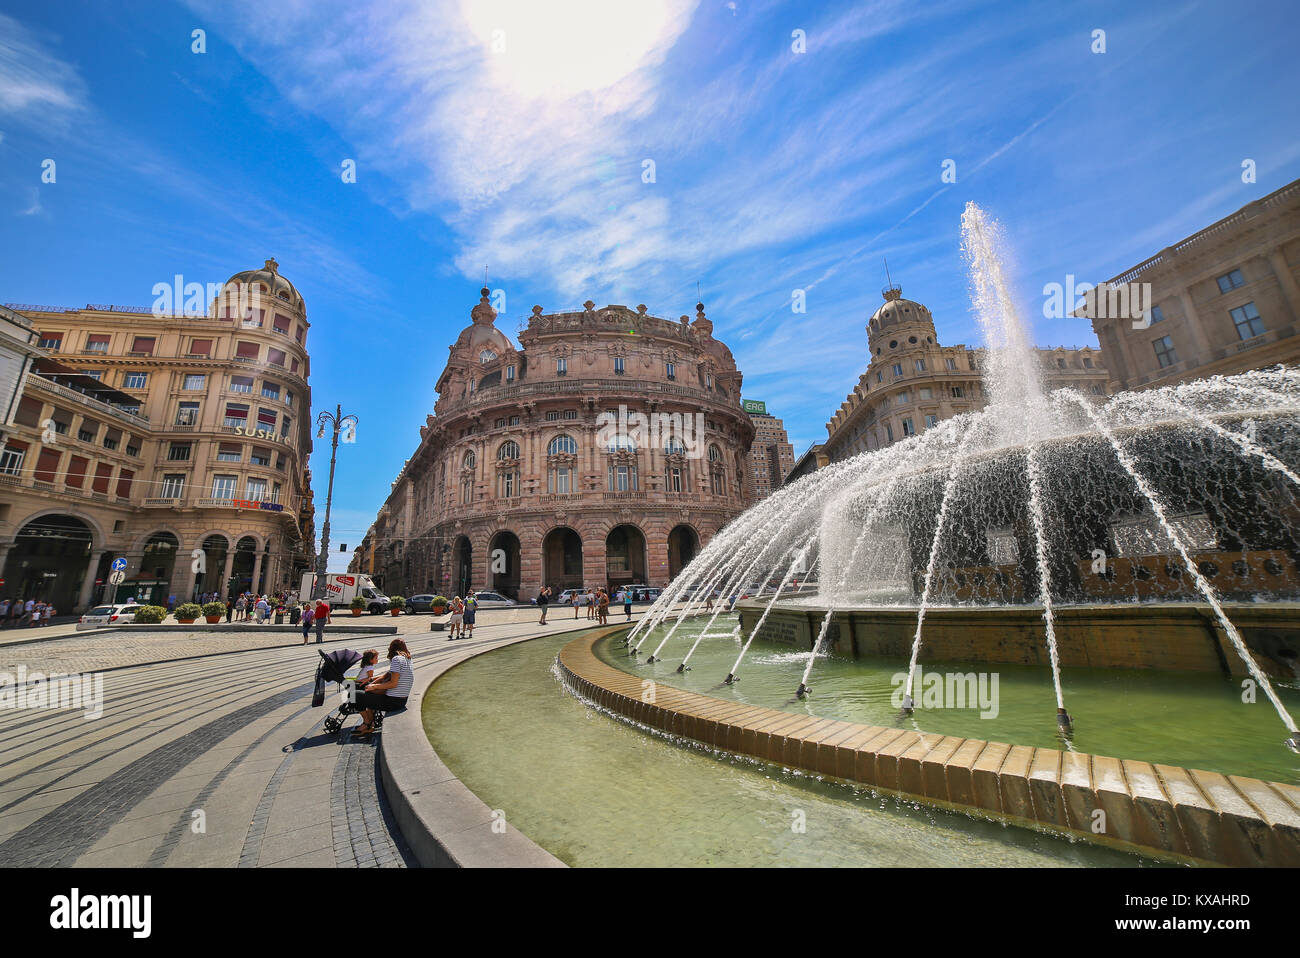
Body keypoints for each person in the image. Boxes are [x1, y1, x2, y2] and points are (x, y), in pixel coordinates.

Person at [351, 639, 413, 736]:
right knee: (366, 692)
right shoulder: (407, 659)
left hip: (392, 702)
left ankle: (367, 724)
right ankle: (371, 722)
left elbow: (393, 684)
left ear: (391, 649)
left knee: (354, 695)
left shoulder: (396, 659)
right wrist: (370, 681)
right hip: (401, 700)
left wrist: (374, 686)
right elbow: (386, 675)